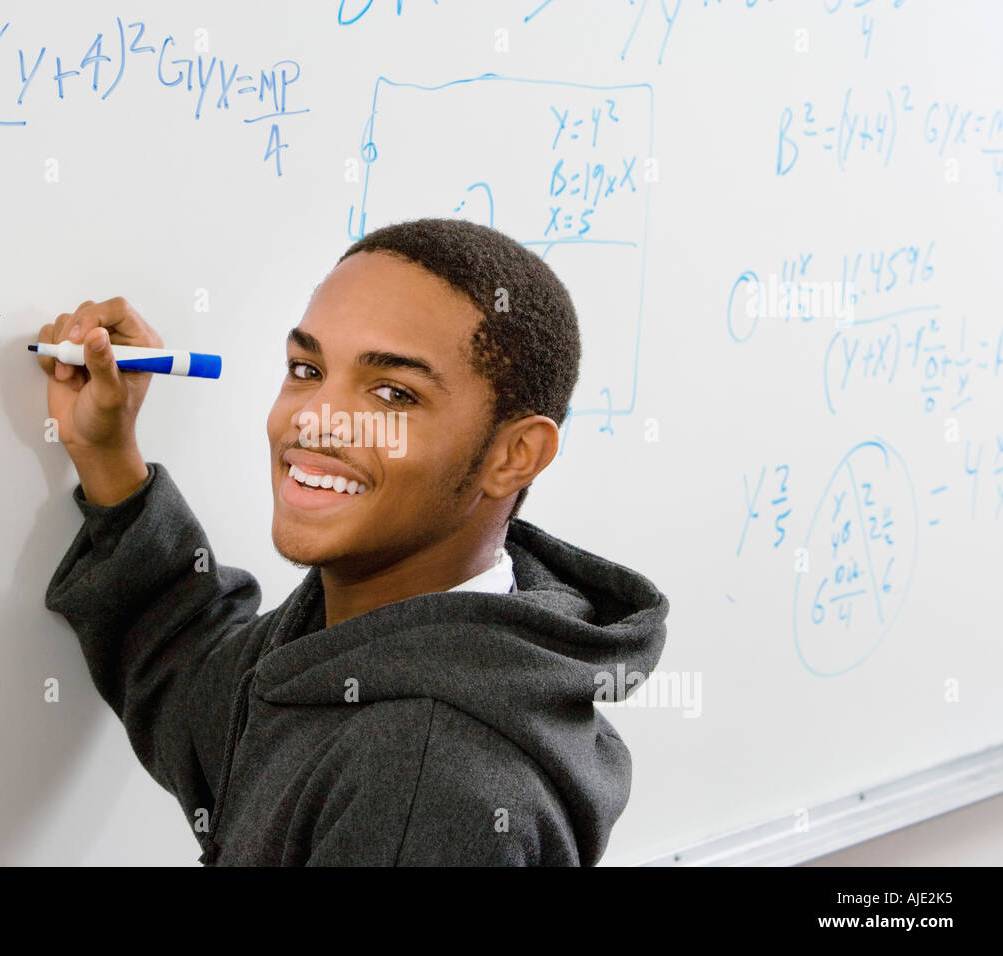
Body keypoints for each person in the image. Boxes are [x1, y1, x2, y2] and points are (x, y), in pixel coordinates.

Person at [38, 217, 668, 865]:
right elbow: (196, 688)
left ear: (515, 455)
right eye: (306, 369)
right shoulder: (364, 647)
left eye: (393, 393)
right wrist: (109, 457)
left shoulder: (422, 788)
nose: (312, 420)